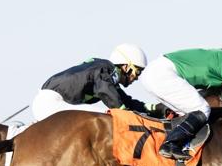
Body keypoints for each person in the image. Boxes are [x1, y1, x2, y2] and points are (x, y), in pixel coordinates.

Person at [31, 43, 167, 122]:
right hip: (52, 103)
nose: (136, 77)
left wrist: (157, 109)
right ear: (126, 66)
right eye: (137, 72)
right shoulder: (107, 70)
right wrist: (128, 115)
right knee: (108, 119)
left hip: (47, 101)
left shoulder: (105, 73)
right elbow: (109, 95)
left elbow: (126, 102)